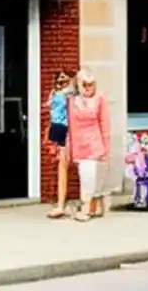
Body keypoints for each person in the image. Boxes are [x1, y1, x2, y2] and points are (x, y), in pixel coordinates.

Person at [68, 68, 110, 221]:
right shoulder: (73, 101)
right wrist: (71, 149)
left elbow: (104, 124)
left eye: (91, 84)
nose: (88, 88)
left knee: (92, 178)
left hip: (95, 144)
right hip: (80, 145)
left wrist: (106, 149)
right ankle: (93, 207)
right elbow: (71, 127)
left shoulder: (100, 99)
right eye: (85, 84)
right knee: (86, 177)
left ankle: (88, 209)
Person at [45, 70, 75, 219]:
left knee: (65, 164)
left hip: (67, 128)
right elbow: (50, 110)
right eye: (59, 78)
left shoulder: (71, 95)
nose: (61, 81)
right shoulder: (55, 93)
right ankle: (60, 203)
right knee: (60, 164)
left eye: (65, 78)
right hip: (57, 127)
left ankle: (63, 203)